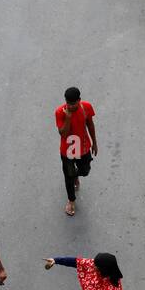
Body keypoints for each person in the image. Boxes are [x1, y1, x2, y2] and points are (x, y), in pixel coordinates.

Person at [56, 86, 98, 216]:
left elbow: (90, 124)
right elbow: (63, 134)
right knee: (68, 176)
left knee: (85, 171)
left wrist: (94, 142)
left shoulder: (86, 107)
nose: (70, 106)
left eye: (73, 104)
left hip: (84, 147)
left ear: (79, 100)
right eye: (68, 103)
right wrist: (68, 118)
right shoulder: (60, 112)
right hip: (67, 150)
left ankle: (76, 176)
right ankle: (71, 200)